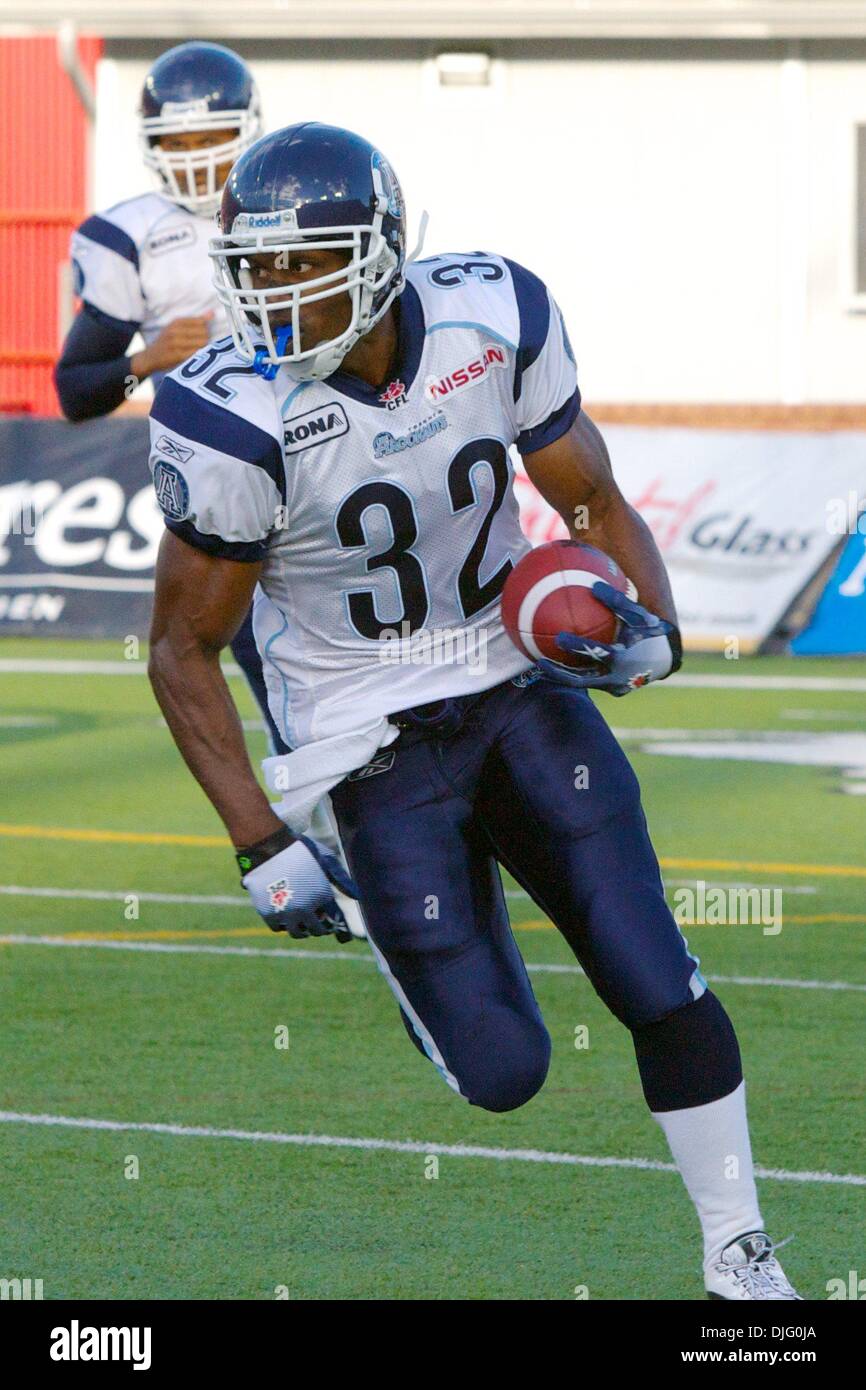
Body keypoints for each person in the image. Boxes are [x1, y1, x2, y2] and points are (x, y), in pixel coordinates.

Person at [146, 121, 801, 1300]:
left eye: (306, 262)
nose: (275, 295)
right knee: (502, 1073)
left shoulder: (492, 315)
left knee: (655, 976)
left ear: (385, 251)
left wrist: (650, 627)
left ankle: (738, 1259)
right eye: (257, 269)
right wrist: (260, 840)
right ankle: (394, 918)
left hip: (510, 681)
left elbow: (590, 501)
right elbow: (183, 646)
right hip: (362, 742)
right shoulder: (230, 411)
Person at [52, 41, 290, 769]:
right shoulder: (127, 236)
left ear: (245, 130)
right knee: (280, 688)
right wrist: (146, 359)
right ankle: (325, 851)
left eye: (211, 138)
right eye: (177, 141)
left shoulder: (290, 199)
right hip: (228, 488)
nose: (195, 156)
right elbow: (76, 394)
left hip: (329, 459)